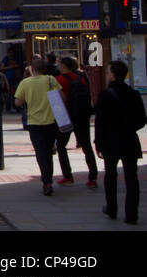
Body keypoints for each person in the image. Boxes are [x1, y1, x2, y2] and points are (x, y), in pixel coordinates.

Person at [94, 60, 146, 224]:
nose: (107, 74)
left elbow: (100, 122)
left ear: (113, 74)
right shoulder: (134, 94)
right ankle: (131, 215)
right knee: (132, 178)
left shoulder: (105, 95)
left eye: (108, 72)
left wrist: (98, 143)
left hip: (110, 141)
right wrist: (129, 128)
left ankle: (112, 208)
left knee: (110, 175)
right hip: (129, 140)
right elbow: (142, 120)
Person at [14, 56, 64, 195]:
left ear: (32, 69)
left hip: (34, 123)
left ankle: (46, 180)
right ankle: (48, 179)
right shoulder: (50, 80)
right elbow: (62, 97)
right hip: (50, 121)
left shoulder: (25, 83)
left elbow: (17, 102)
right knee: (48, 152)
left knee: (40, 152)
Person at [56, 56, 97, 189]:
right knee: (87, 146)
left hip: (68, 116)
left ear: (64, 66)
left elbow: (58, 99)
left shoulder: (60, 79)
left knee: (61, 146)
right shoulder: (83, 76)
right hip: (83, 115)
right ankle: (93, 178)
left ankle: (67, 176)